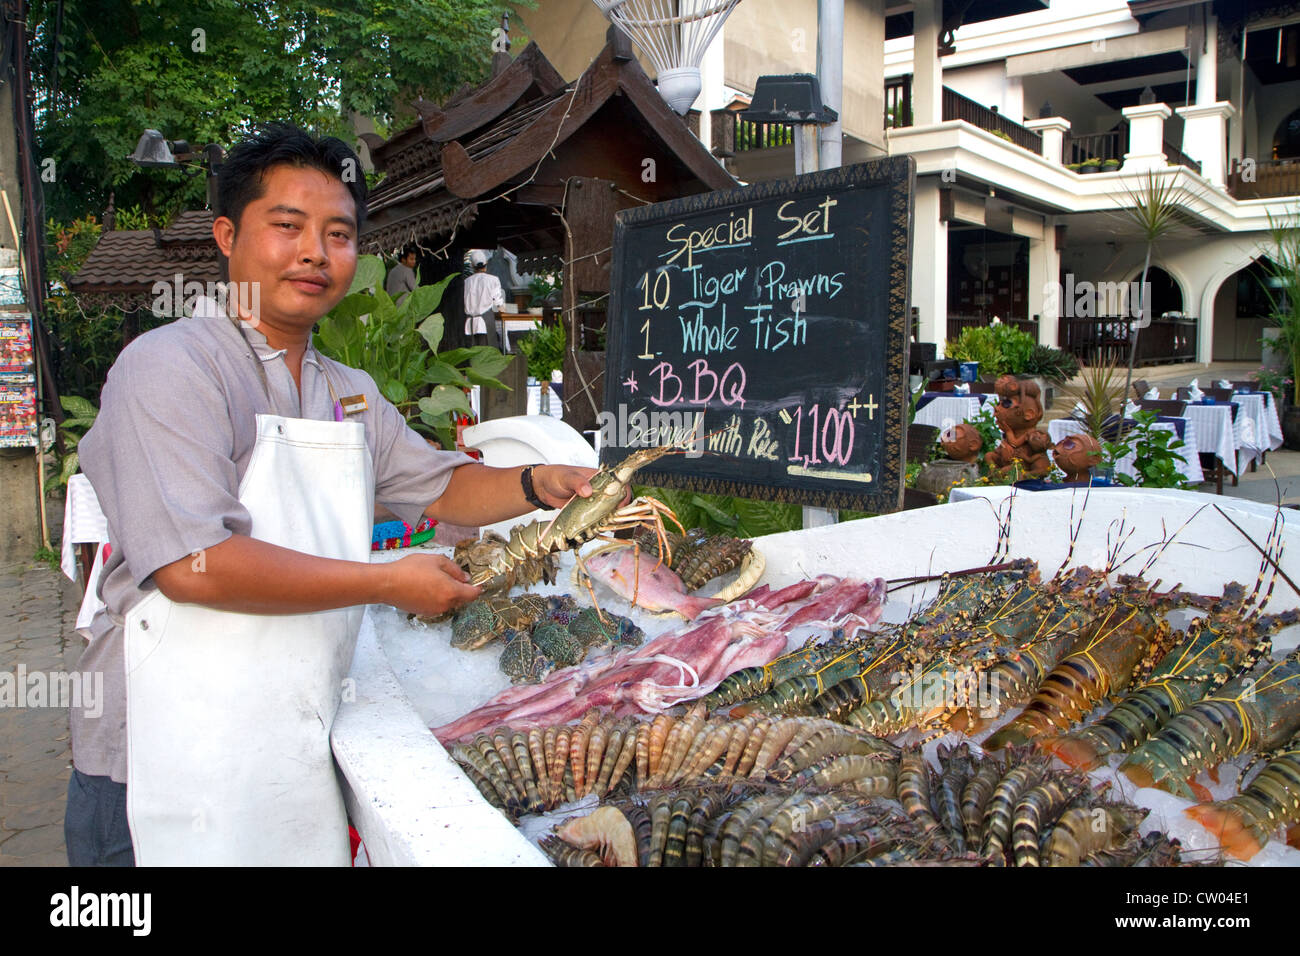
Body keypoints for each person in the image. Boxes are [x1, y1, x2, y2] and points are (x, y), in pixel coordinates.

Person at [66, 123, 602, 866]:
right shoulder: (170, 368)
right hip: (157, 754)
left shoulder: (348, 393)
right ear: (227, 236)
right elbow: (196, 565)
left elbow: (439, 487)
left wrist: (537, 483)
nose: (316, 252)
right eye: (288, 227)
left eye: (339, 234)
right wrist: (386, 583)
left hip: (291, 731)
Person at [462, 251, 505, 348]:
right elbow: (498, 302)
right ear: (486, 264)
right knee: (487, 354)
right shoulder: (493, 280)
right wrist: (503, 310)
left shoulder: (466, 282)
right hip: (485, 323)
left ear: (472, 266)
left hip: (470, 324)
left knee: (472, 354)